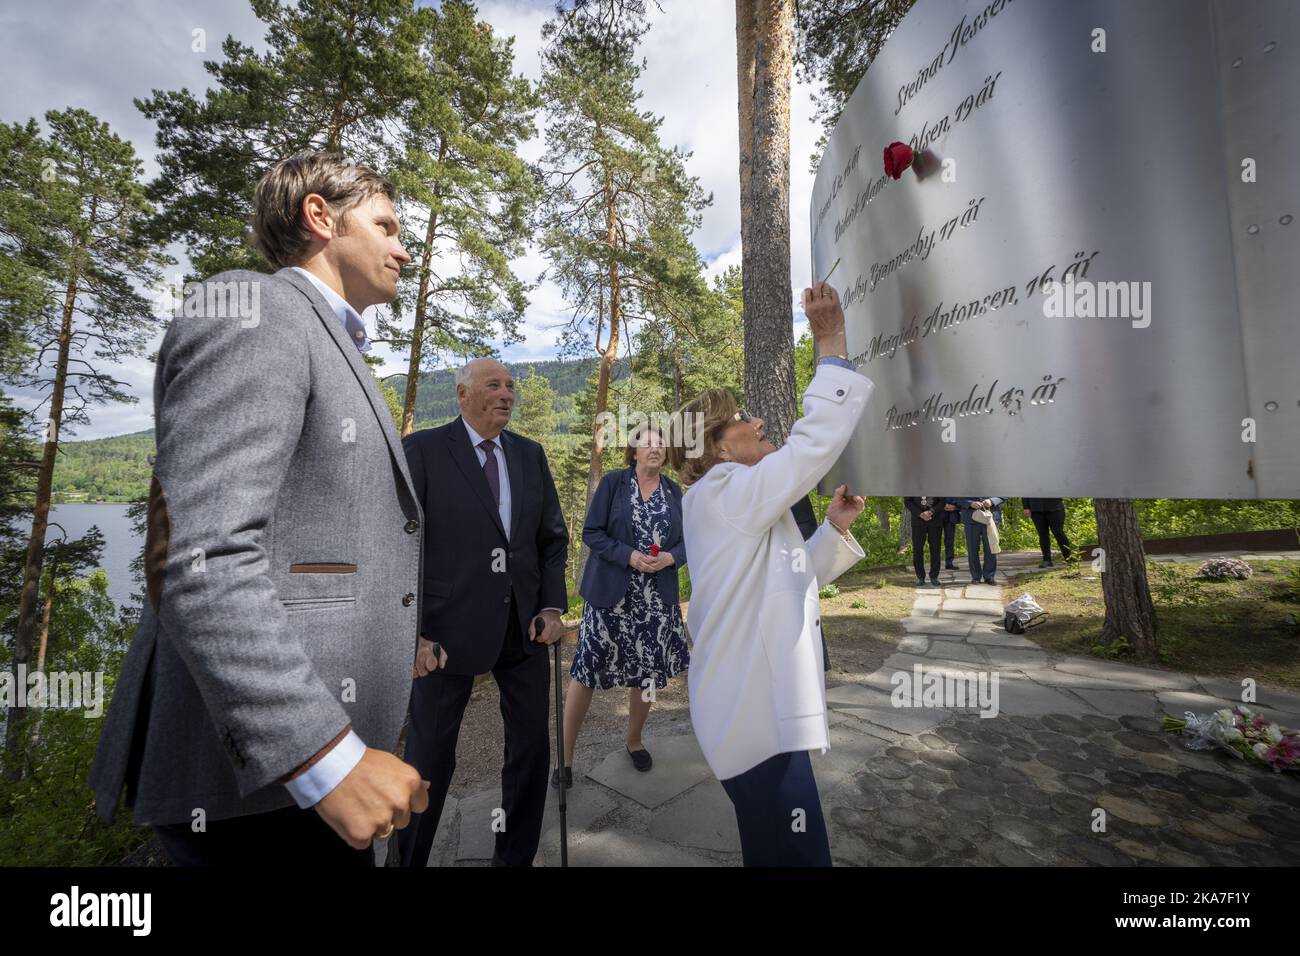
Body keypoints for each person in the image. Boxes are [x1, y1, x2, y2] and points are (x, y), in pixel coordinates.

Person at [89, 151, 429, 865]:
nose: (404, 246)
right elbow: (199, 555)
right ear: (320, 217)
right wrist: (323, 755)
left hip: (297, 790)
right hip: (259, 796)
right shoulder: (260, 308)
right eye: (387, 224)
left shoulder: (329, 339)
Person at [667, 280, 871, 866]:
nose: (756, 421)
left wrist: (830, 529)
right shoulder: (725, 491)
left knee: (778, 852)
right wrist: (830, 341)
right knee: (799, 858)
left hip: (754, 715)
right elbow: (812, 448)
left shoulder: (728, 497)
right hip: (752, 718)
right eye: (740, 418)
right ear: (717, 450)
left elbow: (793, 575)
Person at [397, 358, 569, 868]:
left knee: (531, 751)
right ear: (462, 393)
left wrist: (552, 606)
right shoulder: (424, 450)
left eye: (511, 386)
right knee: (428, 760)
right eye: (493, 385)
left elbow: (551, 540)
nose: (506, 394)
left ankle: (513, 858)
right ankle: (406, 860)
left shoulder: (529, 455)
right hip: (443, 635)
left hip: (524, 630)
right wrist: (413, 633)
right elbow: (396, 542)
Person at [557, 425, 688, 787]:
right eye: (647, 442)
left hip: (655, 602)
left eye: (661, 442)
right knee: (586, 672)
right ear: (633, 451)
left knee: (646, 674)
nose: (655, 448)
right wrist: (628, 555)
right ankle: (565, 759)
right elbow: (592, 532)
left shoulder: (673, 492)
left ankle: (634, 741)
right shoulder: (614, 484)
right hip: (610, 599)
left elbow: (688, 542)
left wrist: (670, 559)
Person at [959, 496, 1005, 584]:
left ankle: (989, 576)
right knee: (972, 549)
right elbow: (956, 497)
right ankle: (975, 576)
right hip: (970, 518)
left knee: (991, 547)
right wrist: (970, 503)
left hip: (991, 517)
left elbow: (1004, 494)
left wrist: (992, 501)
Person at [904, 496, 946, 586]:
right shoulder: (912, 484)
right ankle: (920, 577)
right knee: (917, 549)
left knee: (935, 549)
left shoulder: (939, 483)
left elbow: (942, 501)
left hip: (935, 520)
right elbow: (907, 501)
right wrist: (920, 514)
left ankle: (934, 576)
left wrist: (931, 511)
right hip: (918, 520)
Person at [1023, 498, 1073, 567]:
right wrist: (1026, 507)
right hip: (1036, 508)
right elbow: (1025, 490)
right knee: (1043, 534)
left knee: (1058, 533)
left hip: (1055, 507)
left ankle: (1069, 558)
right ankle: (1047, 560)